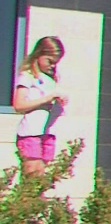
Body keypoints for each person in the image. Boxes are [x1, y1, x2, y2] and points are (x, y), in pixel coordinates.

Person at [12, 36, 68, 178]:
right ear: (39, 54)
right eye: (49, 61)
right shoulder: (28, 76)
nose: (53, 66)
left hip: (47, 132)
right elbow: (19, 105)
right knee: (31, 176)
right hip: (31, 133)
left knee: (41, 179)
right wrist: (46, 98)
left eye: (56, 63)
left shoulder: (50, 79)